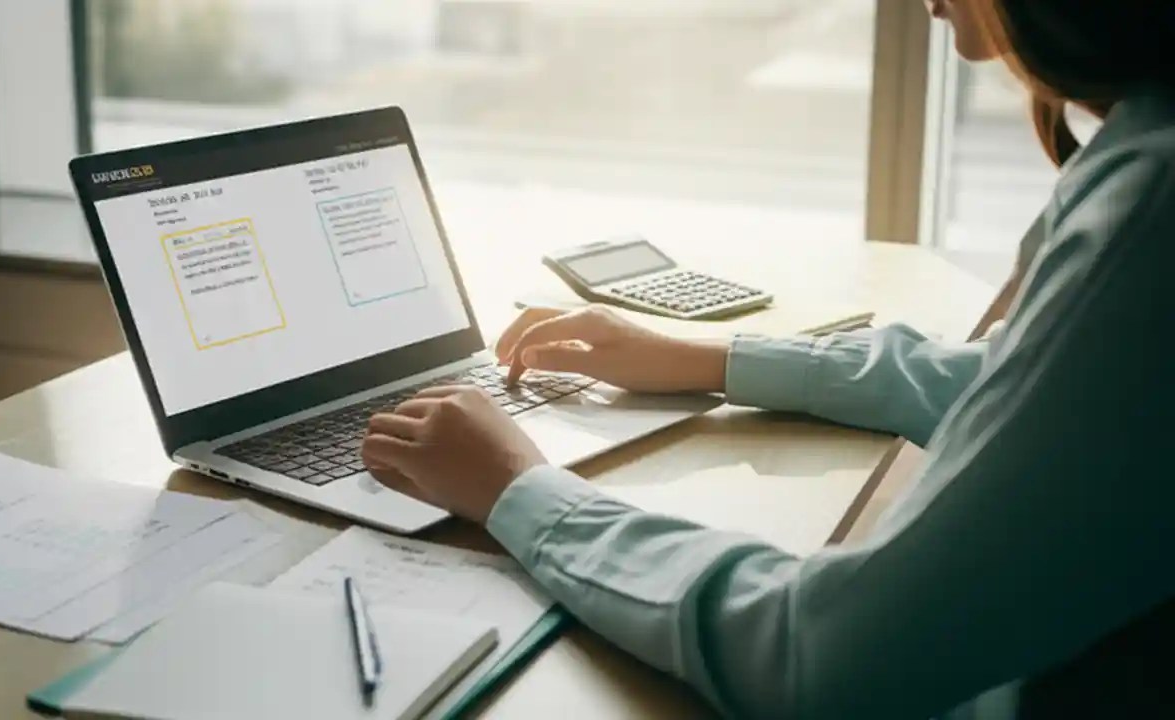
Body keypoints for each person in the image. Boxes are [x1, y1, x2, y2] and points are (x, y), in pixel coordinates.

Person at [361, 1, 1175, 717]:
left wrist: (518, 490)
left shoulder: (1153, 207)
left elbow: (823, 658)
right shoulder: (1143, 151)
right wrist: (707, 356)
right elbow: (1001, 378)